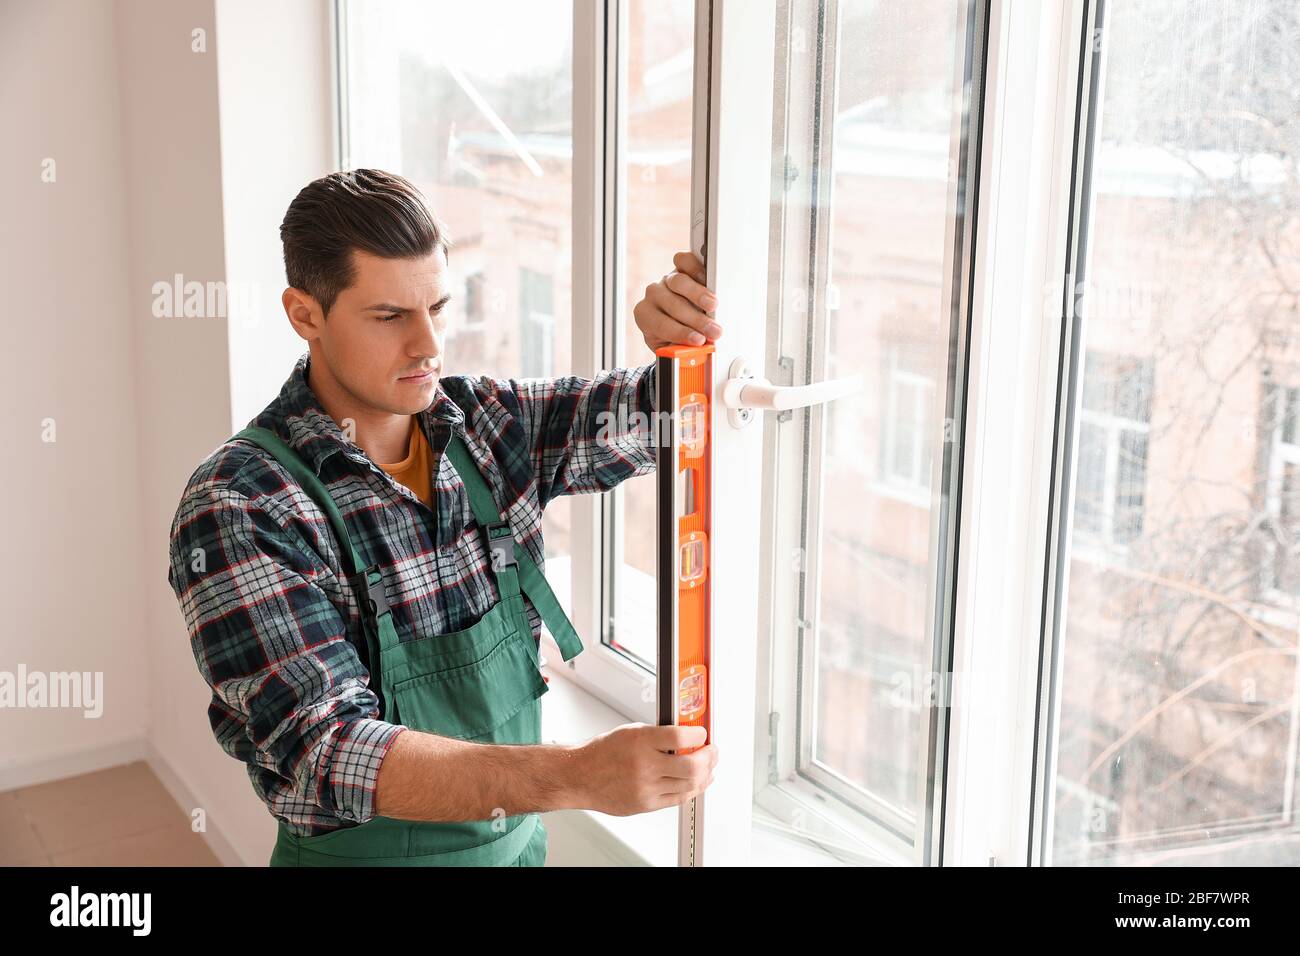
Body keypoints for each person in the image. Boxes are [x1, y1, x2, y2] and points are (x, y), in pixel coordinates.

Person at [166, 168, 721, 867]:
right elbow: (329, 751)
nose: (428, 345)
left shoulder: (487, 428)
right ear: (305, 314)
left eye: (439, 306)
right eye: (390, 316)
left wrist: (681, 342)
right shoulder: (241, 506)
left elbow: (660, 418)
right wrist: (579, 776)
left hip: (517, 850)